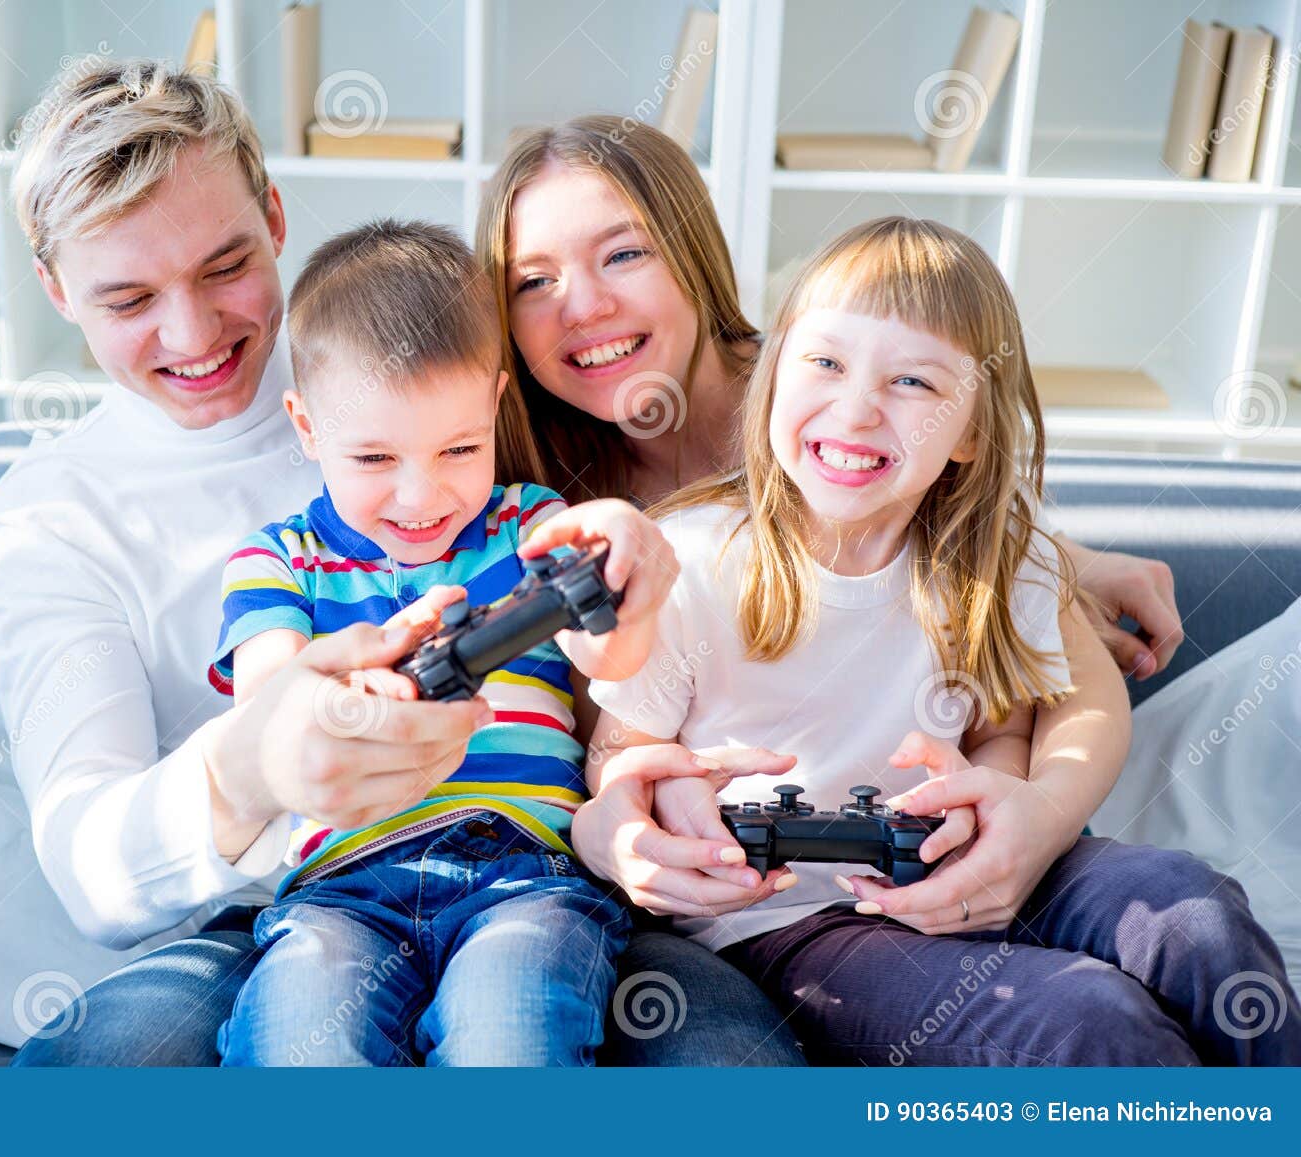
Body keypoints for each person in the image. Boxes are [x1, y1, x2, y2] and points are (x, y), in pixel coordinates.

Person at [0, 63, 794, 1067]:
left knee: (701, 1059)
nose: (193, 332)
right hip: (313, 891)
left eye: (223, 266)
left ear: (275, 217)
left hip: (535, 869)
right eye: (128, 296)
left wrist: (635, 574)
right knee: (104, 1069)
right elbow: (93, 863)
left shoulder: (444, 355)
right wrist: (262, 758)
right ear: (57, 288)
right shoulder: (56, 520)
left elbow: (662, 536)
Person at [584, 214, 1301, 1065]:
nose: (856, 409)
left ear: (969, 433)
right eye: (824, 363)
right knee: (1084, 1022)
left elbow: (1006, 725)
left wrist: (995, 804)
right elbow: (621, 750)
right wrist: (662, 803)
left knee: (1194, 913)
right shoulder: (694, 559)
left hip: (994, 868)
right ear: (773, 380)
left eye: (914, 383)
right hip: (792, 918)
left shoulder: (999, 555)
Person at [479, 117, 1193, 971]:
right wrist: (612, 828)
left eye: (623, 254)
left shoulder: (827, 382)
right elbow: (608, 752)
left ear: (695, 254)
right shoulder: (534, 497)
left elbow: (1033, 633)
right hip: (726, 899)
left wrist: (1041, 806)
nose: (582, 305)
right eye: (533, 280)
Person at [211, 219, 679, 1065]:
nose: (420, 495)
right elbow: (269, 714)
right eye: (375, 456)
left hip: (524, 874)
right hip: (341, 889)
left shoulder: (534, 524)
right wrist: (374, 677)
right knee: (300, 1052)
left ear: (497, 404)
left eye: (460, 448)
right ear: (307, 427)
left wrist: (623, 556)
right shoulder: (278, 561)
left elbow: (610, 663)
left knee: (511, 1040)